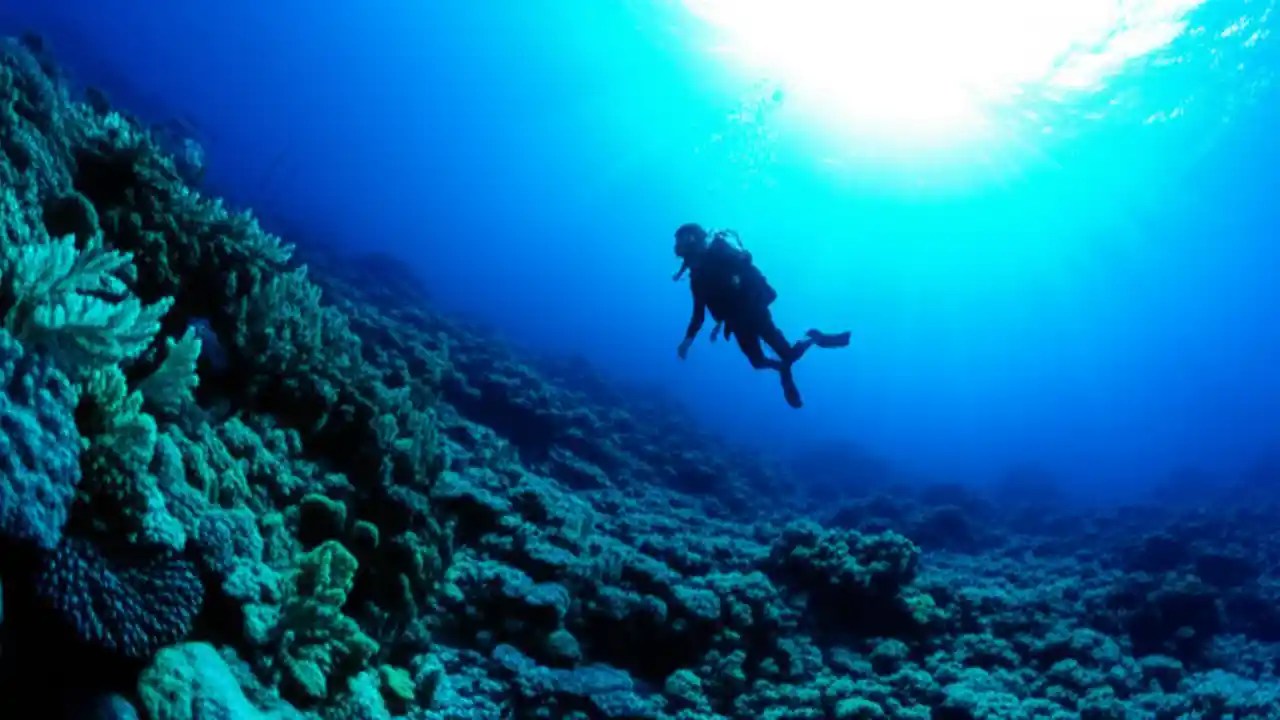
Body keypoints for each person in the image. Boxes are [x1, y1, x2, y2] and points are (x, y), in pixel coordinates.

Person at [672, 222, 850, 408]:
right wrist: (688, 340)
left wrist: (737, 270)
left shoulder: (720, 253)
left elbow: (745, 260)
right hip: (736, 322)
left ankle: (813, 336)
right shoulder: (696, 280)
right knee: (757, 362)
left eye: (684, 244)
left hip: (755, 312)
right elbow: (698, 314)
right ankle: (782, 369)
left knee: (788, 354)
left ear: (696, 242)